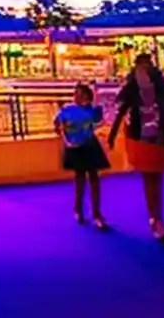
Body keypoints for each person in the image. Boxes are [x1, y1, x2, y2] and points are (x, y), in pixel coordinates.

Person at [108, 53, 164, 242]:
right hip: (142, 138)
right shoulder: (133, 91)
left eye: (147, 65)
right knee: (149, 179)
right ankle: (155, 218)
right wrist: (112, 136)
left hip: (161, 138)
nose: (144, 69)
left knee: (157, 179)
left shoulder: (161, 92)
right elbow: (121, 113)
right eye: (141, 65)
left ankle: (157, 217)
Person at [54, 83, 110, 229]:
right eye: (76, 93)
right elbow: (57, 125)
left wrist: (96, 102)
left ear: (87, 96)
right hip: (75, 147)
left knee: (94, 178)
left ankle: (97, 214)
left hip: (90, 145)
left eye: (80, 94)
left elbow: (99, 119)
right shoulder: (67, 110)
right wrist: (66, 139)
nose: (77, 96)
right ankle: (78, 210)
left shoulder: (92, 109)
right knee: (79, 179)